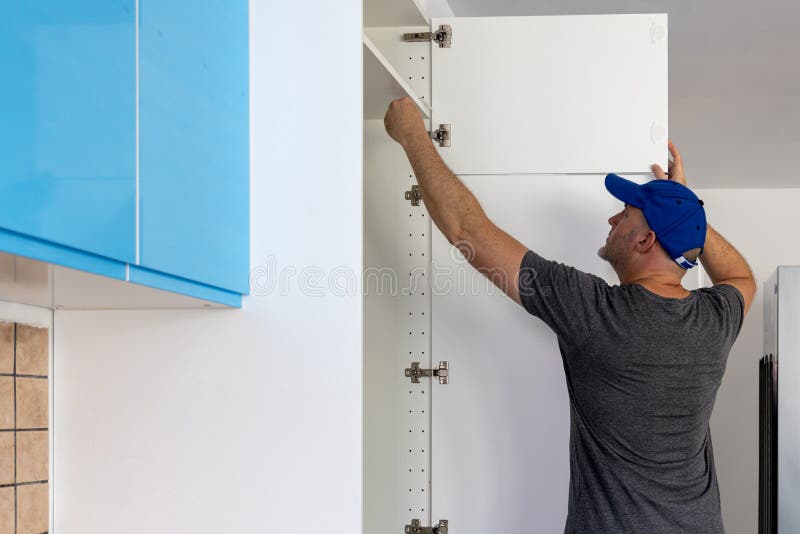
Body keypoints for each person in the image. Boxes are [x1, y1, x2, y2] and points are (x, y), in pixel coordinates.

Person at [384, 96, 756, 533]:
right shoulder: (714, 320)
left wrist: (411, 135)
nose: (613, 218)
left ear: (644, 240)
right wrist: (685, 210)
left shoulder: (596, 312)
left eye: (627, 213)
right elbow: (741, 276)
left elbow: (468, 232)